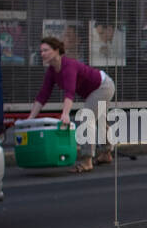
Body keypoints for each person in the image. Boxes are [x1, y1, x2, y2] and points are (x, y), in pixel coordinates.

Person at [26, 36, 116, 173]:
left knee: (87, 118)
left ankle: (87, 161)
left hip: (103, 86)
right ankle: (106, 153)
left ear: (56, 50)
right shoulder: (52, 71)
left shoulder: (68, 66)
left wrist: (65, 114)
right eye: (41, 51)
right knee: (100, 120)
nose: (42, 54)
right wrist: (31, 118)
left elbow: (70, 91)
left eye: (46, 50)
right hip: (94, 90)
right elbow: (43, 95)